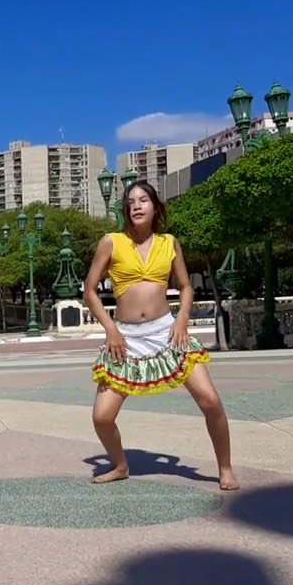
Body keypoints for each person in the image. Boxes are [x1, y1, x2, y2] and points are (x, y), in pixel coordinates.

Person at [83, 181, 239, 491]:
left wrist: (182, 319)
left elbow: (185, 286)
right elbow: (89, 290)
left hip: (167, 333)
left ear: (155, 207)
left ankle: (225, 468)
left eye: (143, 200)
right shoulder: (111, 242)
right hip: (125, 338)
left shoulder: (169, 242)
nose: (136, 206)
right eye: (131, 202)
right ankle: (121, 465)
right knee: (102, 417)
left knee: (210, 400)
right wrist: (111, 330)